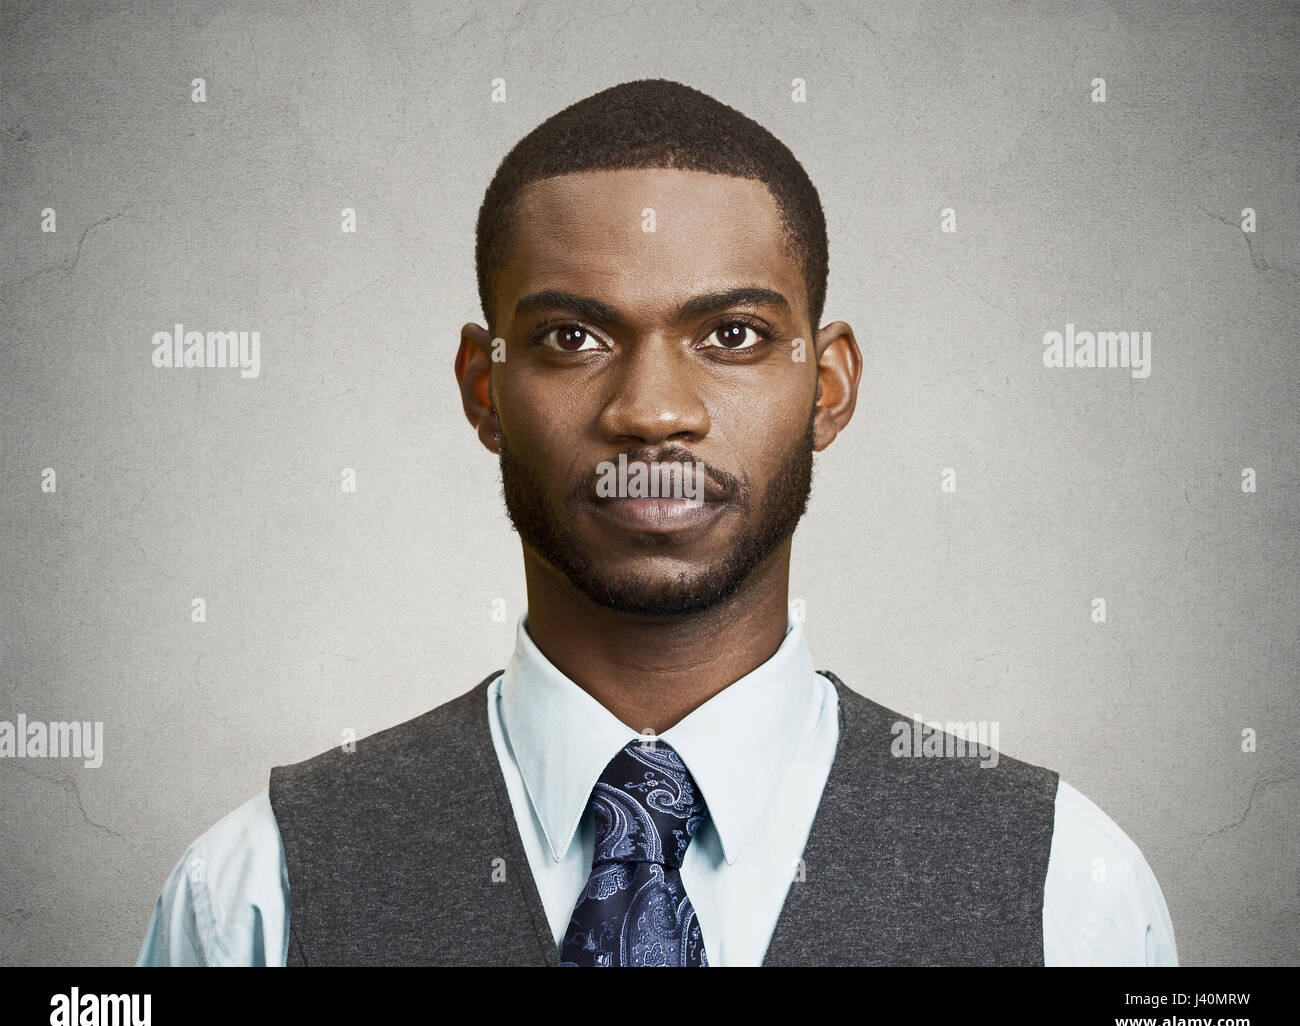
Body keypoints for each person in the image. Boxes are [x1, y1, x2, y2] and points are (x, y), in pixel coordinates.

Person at [138, 78, 1176, 967]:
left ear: (828, 386)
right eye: (572, 335)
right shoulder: (255, 900)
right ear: (483, 388)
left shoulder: (1065, 892)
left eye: (730, 333)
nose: (651, 408)